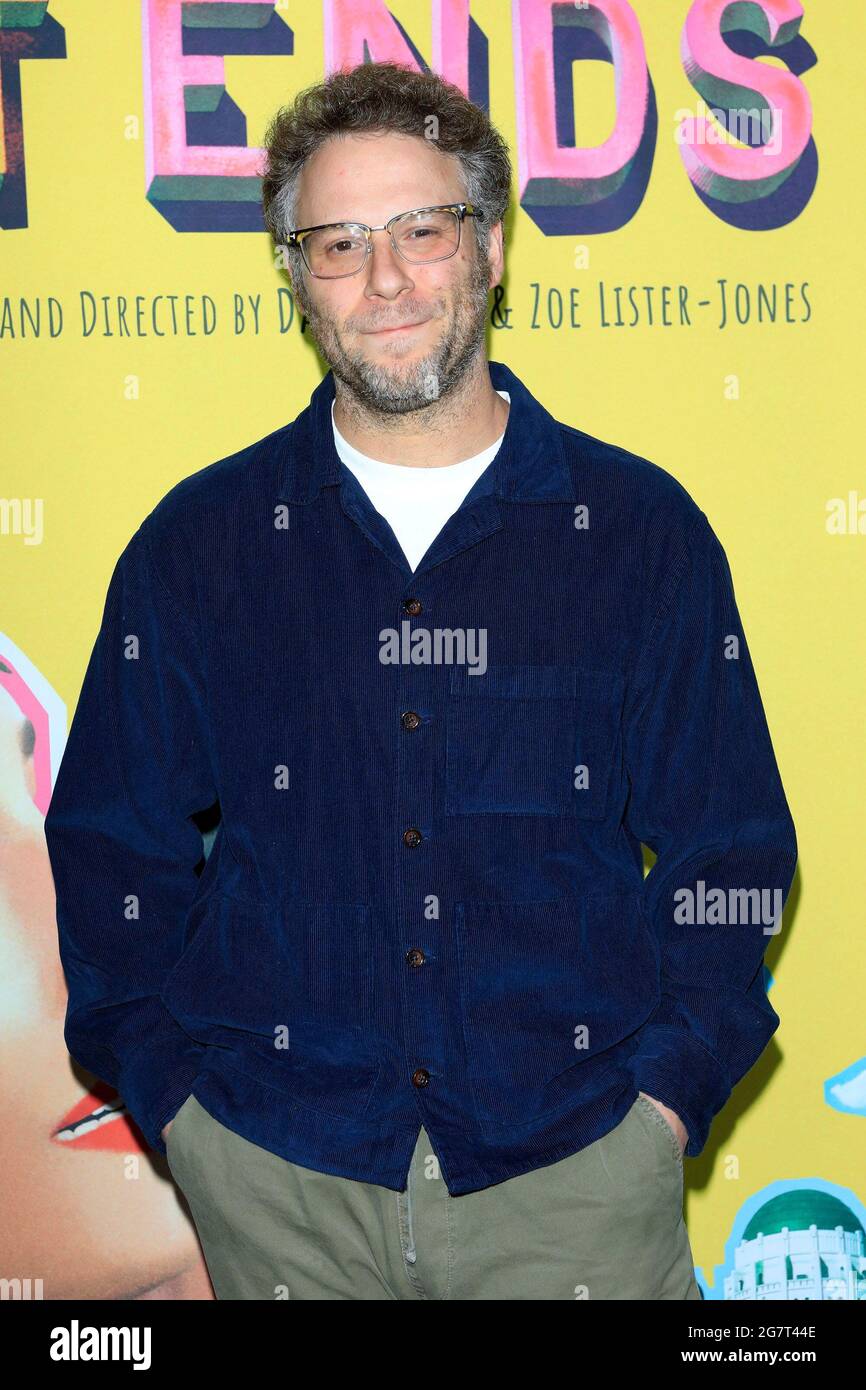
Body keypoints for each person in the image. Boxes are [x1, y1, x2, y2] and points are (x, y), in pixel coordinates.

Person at [44, 61, 797, 1301]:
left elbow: (730, 854)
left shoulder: (638, 535)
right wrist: (177, 1102)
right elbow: (112, 846)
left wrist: (664, 1100)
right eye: (337, 242)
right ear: (294, 276)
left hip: (573, 1188)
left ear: (488, 249)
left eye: (420, 230)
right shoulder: (201, 547)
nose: (384, 279)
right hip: (278, 1182)